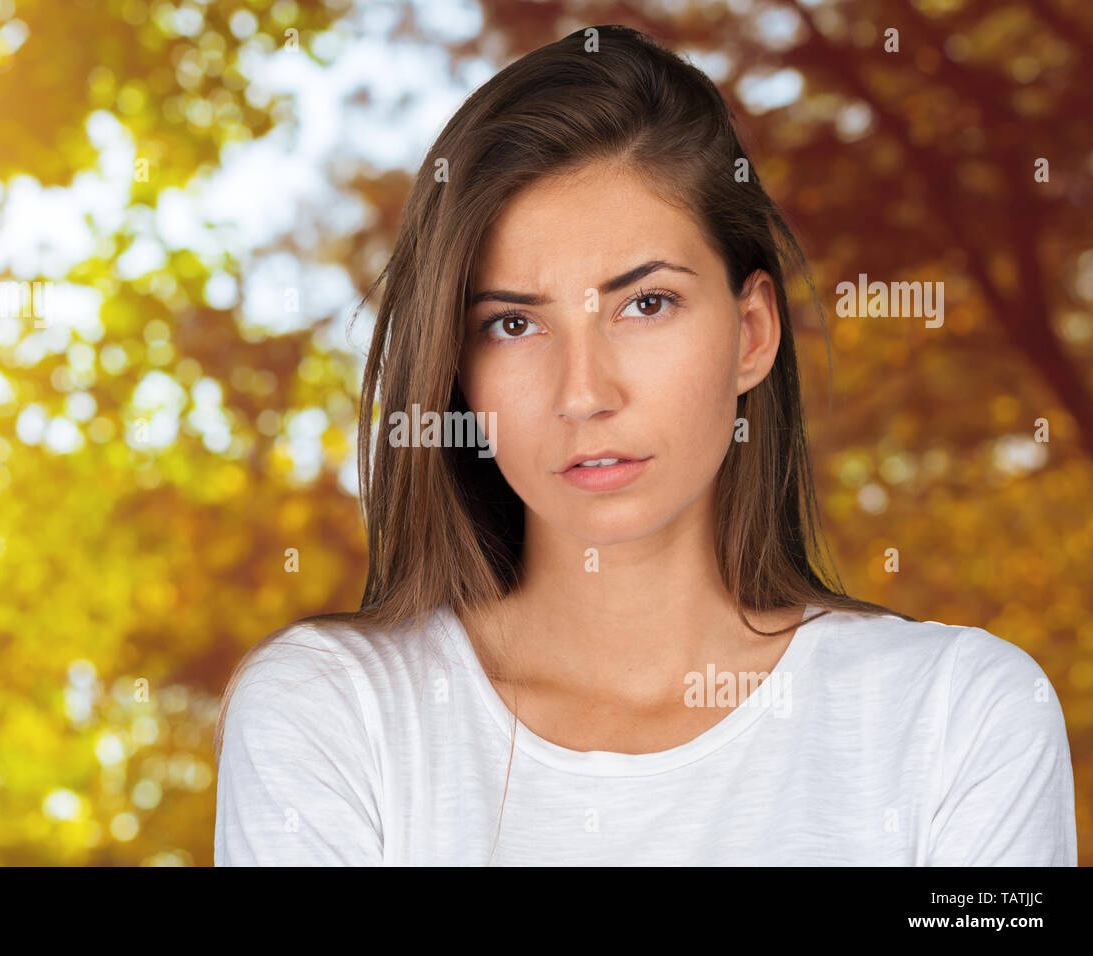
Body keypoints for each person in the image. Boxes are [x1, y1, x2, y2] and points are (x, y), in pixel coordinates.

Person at [214, 24, 1077, 866]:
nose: (584, 393)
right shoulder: (332, 716)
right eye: (514, 323)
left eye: (646, 304)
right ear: (457, 370)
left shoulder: (959, 717)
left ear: (751, 333)